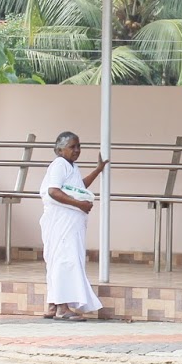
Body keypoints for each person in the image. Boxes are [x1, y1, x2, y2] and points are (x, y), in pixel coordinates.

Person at [39, 131, 108, 321]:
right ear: (60, 149)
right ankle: (62, 308)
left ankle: (53, 305)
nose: (76, 150)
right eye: (72, 147)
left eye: (79, 146)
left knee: (60, 260)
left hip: (68, 223)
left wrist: (98, 169)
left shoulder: (71, 166)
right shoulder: (59, 165)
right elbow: (53, 191)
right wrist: (80, 205)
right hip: (61, 223)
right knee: (65, 260)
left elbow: (78, 188)